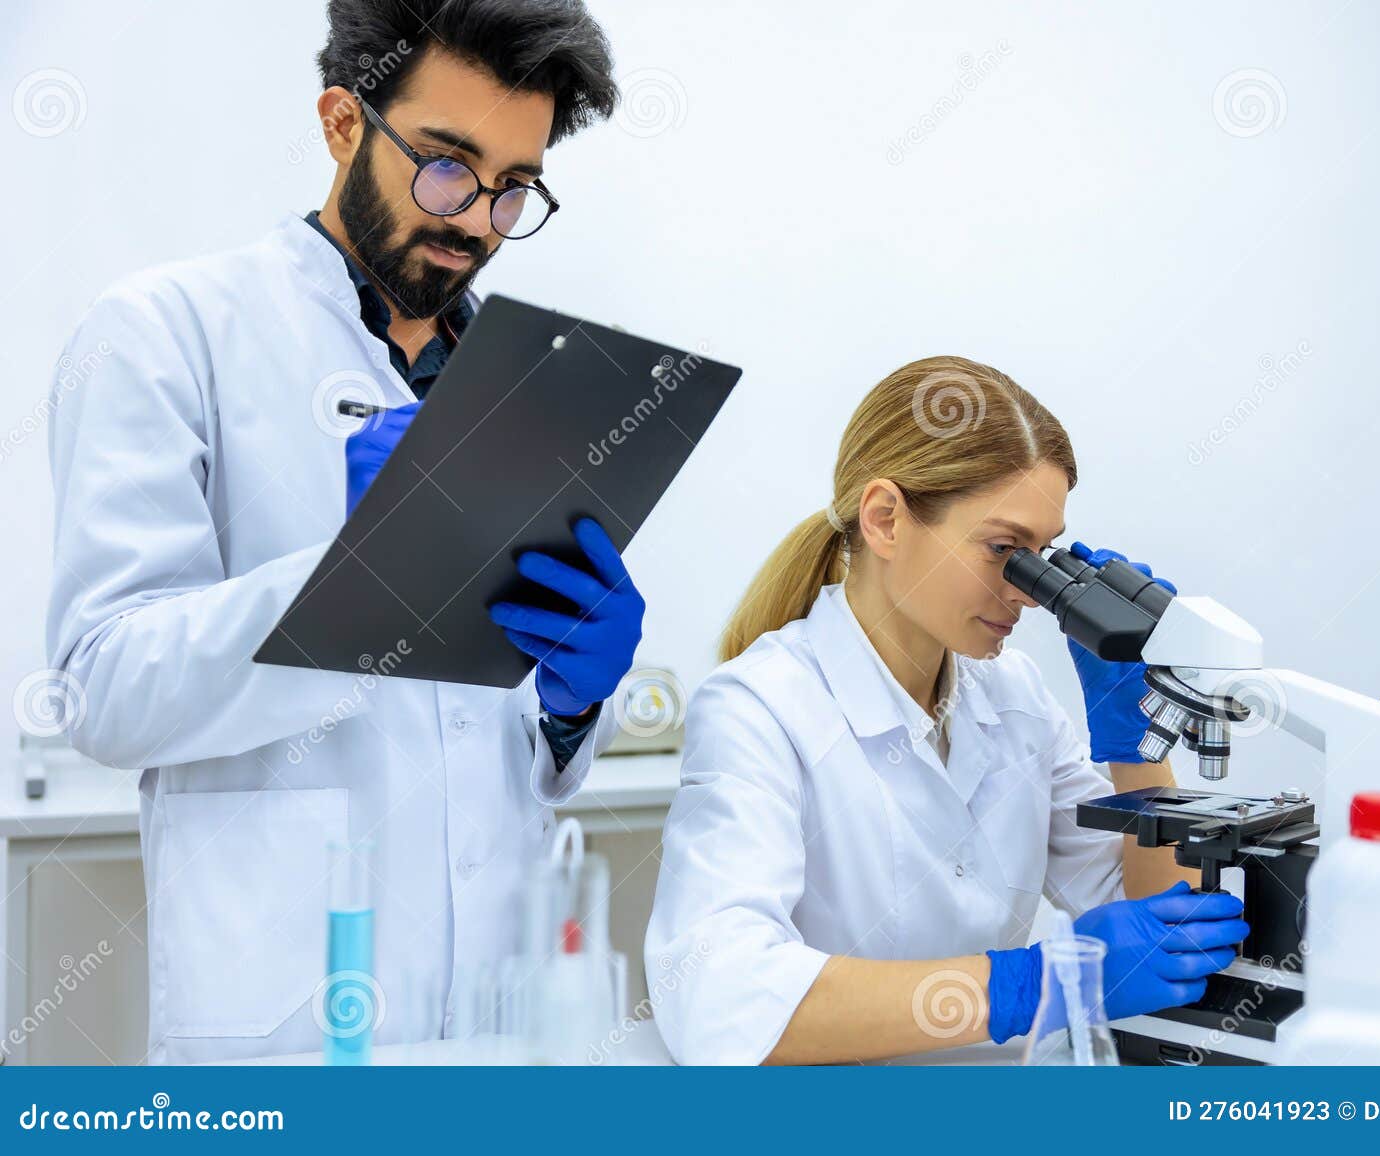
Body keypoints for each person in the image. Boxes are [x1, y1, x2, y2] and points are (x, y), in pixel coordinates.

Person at [45, 0, 642, 1063]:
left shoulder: (521, 387)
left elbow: (475, 741)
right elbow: (104, 687)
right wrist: (350, 572)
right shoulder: (167, 333)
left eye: (513, 189)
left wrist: (569, 706)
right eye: (448, 166)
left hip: (499, 1029)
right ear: (340, 122)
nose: (473, 220)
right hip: (289, 1027)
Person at [645, 356, 1247, 1064]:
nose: (1028, 591)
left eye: (1041, 555)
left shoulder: (1014, 698)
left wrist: (1136, 749)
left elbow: (1163, 933)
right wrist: (1030, 984)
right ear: (886, 521)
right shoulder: (760, 708)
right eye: (1003, 550)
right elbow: (719, 1001)